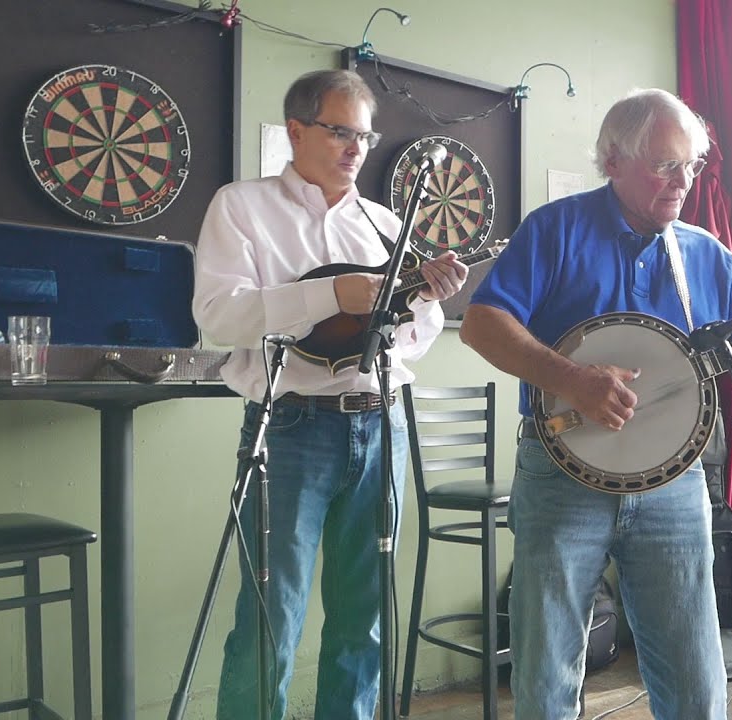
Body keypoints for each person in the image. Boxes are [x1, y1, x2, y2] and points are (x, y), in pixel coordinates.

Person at [458, 88, 732, 720]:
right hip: (562, 474)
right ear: (613, 160)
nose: (683, 181)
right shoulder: (555, 230)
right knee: (547, 670)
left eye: (692, 166)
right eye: (665, 164)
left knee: (695, 677)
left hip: (673, 482)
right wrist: (574, 379)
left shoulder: (704, 255)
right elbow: (482, 324)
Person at [191, 69, 468, 720]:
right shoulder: (241, 207)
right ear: (296, 130)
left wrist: (422, 297)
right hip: (288, 429)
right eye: (341, 131)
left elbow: (415, 334)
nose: (356, 148)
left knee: (364, 619)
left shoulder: (382, 224)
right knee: (270, 616)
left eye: (365, 136)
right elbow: (219, 318)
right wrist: (329, 294)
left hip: (381, 425)